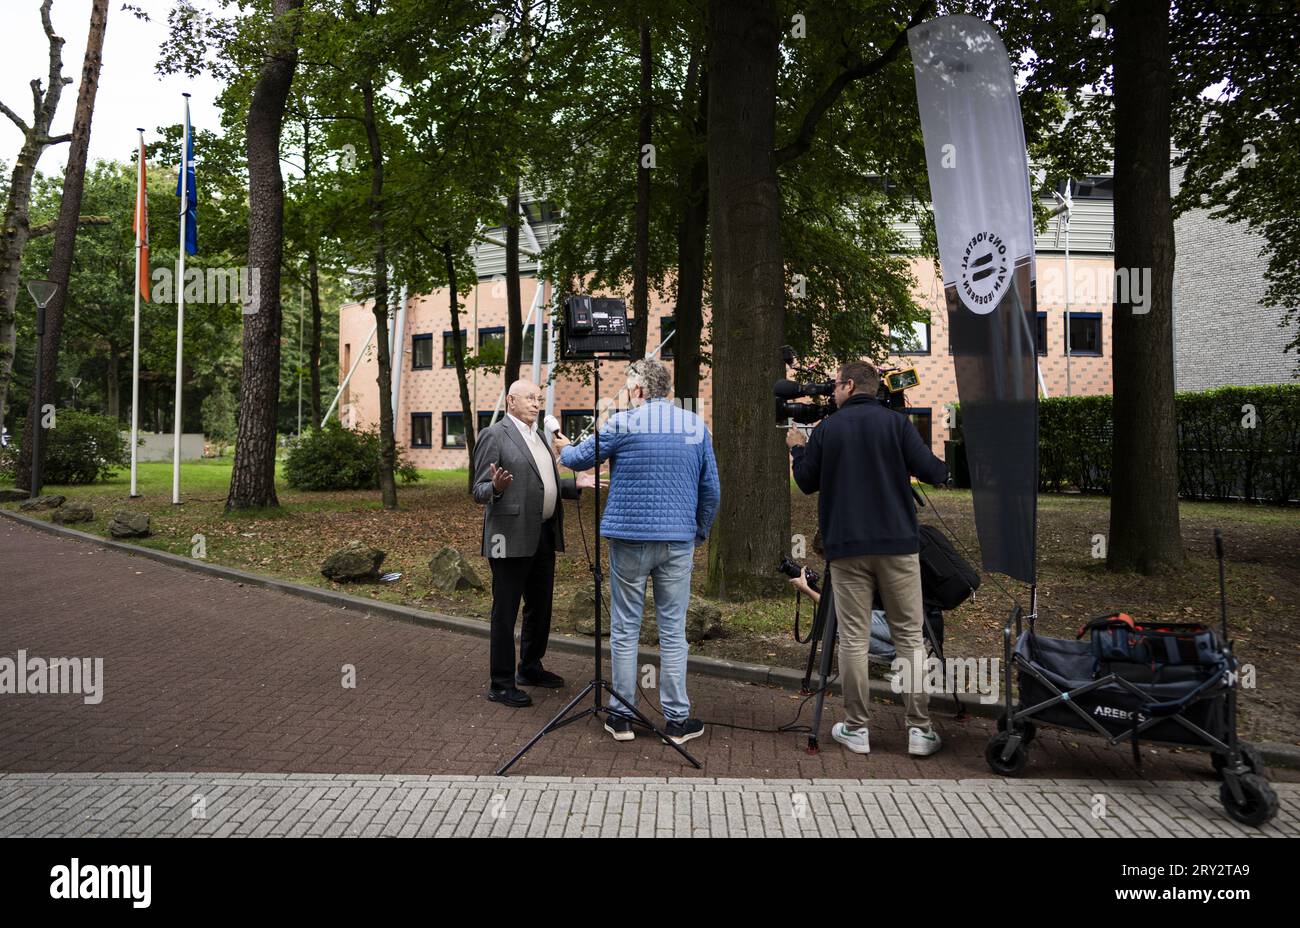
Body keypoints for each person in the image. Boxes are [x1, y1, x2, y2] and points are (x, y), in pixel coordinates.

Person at [787, 360, 949, 757]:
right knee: (911, 636)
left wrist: (797, 449)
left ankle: (857, 728)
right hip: (897, 545)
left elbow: (806, 483)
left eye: (835, 387)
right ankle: (920, 730)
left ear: (847, 386)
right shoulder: (897, 425)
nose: (832, 394)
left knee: (854, 639)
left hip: (847, 548)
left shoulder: (828, 429)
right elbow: (934, 471)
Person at [553, 359, 720, 745]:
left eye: (629, 387)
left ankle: (622, 715)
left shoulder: (623, 422)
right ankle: (677, 720)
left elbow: (577, 459)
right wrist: (698, 530)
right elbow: (711, 489)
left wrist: (563, 446)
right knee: (673, 631)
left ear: (641, 390)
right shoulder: (695, 425)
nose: (626, 393)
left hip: (629, 539)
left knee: (625, 628)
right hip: (677, 541)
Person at [472, 380, 593, 707]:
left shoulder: (540, 436)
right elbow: (478, 490)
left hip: (543, 533)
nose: (536, 404)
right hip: (508, 537)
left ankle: (530, 666)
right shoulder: (494, 435)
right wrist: (495, 487)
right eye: (529, 398)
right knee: (506, 609)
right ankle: (500, 683)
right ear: (510, 401)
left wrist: (573, 484)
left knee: (540, 607)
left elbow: (543, 483)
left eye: (539, 399)